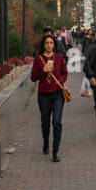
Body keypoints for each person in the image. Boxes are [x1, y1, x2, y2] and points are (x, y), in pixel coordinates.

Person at [30, 33, 67, 162]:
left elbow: (64, 73)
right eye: (47, 43)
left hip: (57, 94)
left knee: (56, 122)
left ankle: (55, 151)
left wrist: (60, 82)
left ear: (54, 45)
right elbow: (33, 77)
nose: (49, 45)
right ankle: (46, 142)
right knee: (45, 122)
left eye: (51, 43)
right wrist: (43, 70)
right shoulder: (38, 59)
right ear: (43, 45)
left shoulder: (59, 58)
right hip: (44, 95)